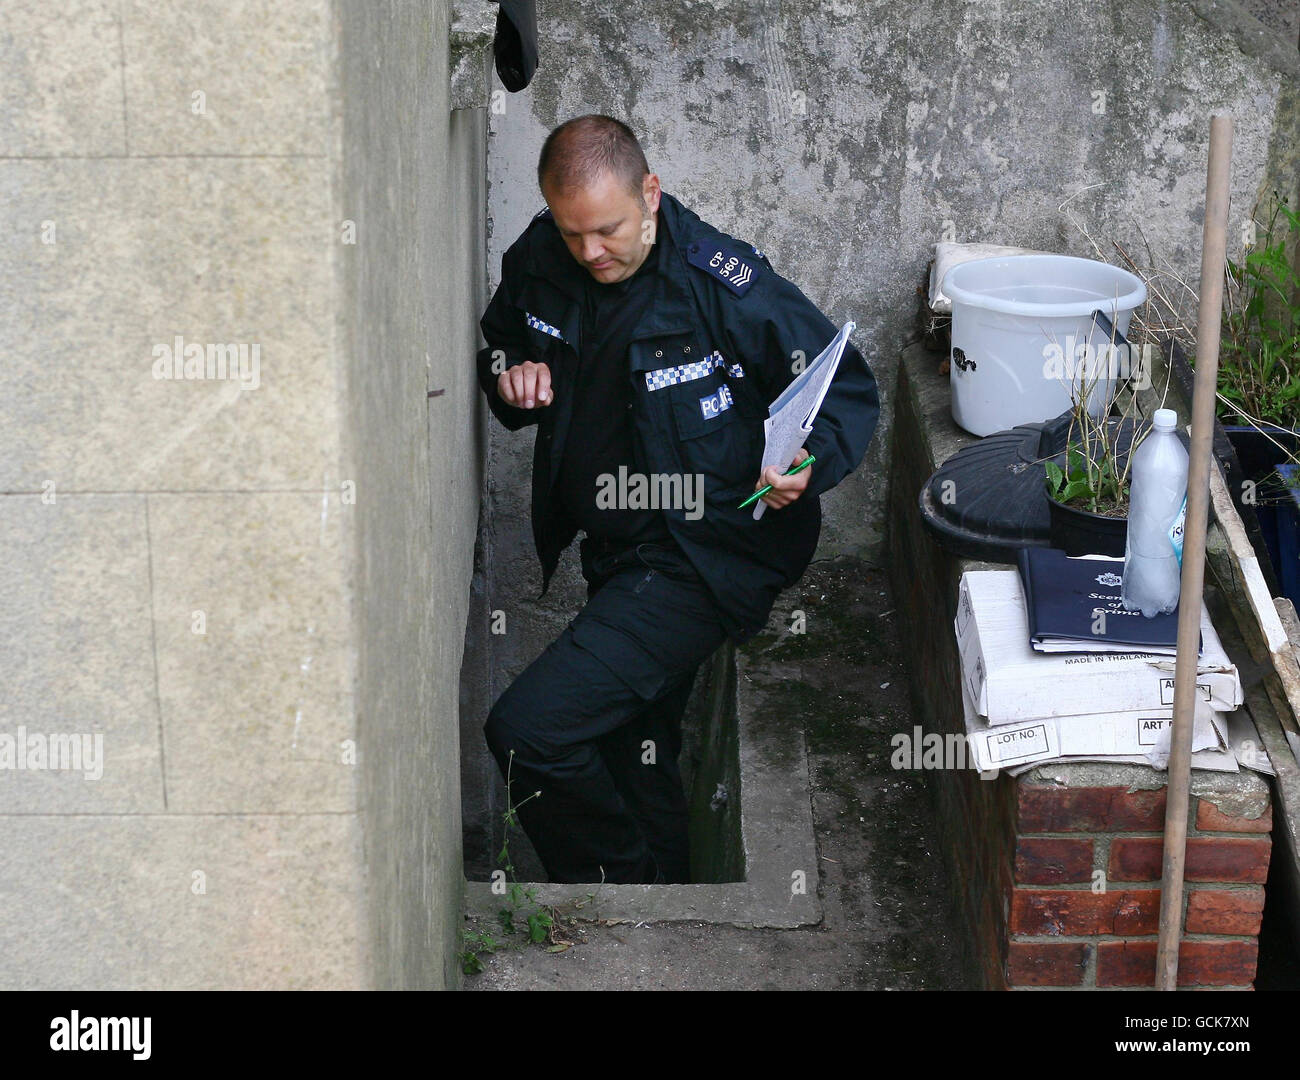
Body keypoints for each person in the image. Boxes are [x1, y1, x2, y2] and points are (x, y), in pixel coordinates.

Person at [475, 114, 879, 885]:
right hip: (618, 550)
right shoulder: (541, 255)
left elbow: (845, 387)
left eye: (606, 230)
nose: (590, 252)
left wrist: (808, 459)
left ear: (650, 194)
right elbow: (499, 342)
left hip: (707, 557)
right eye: (572, 234)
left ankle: (615, 892)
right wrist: (511, 376)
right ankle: (666, 903)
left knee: (530, 731)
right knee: (634, 745)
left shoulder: (721, 282)